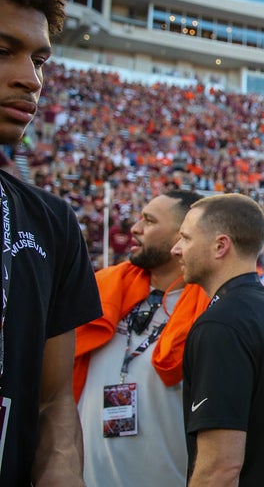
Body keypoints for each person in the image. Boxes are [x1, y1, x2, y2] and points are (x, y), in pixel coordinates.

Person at [0, 0, 104, 483]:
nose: (31, 79)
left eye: (39, 60)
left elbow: (54, 404)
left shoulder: (52, 224)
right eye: (3, 52)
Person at [172, 194, 264, 486]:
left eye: (186, 238)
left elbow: (219, 469)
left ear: (220, 246)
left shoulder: (221, 324)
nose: (176, 249)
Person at [74, 190, 208, 486]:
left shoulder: (211, 311)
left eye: (149, 221)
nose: (135, 228)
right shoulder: (99, 291)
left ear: (183, 235)